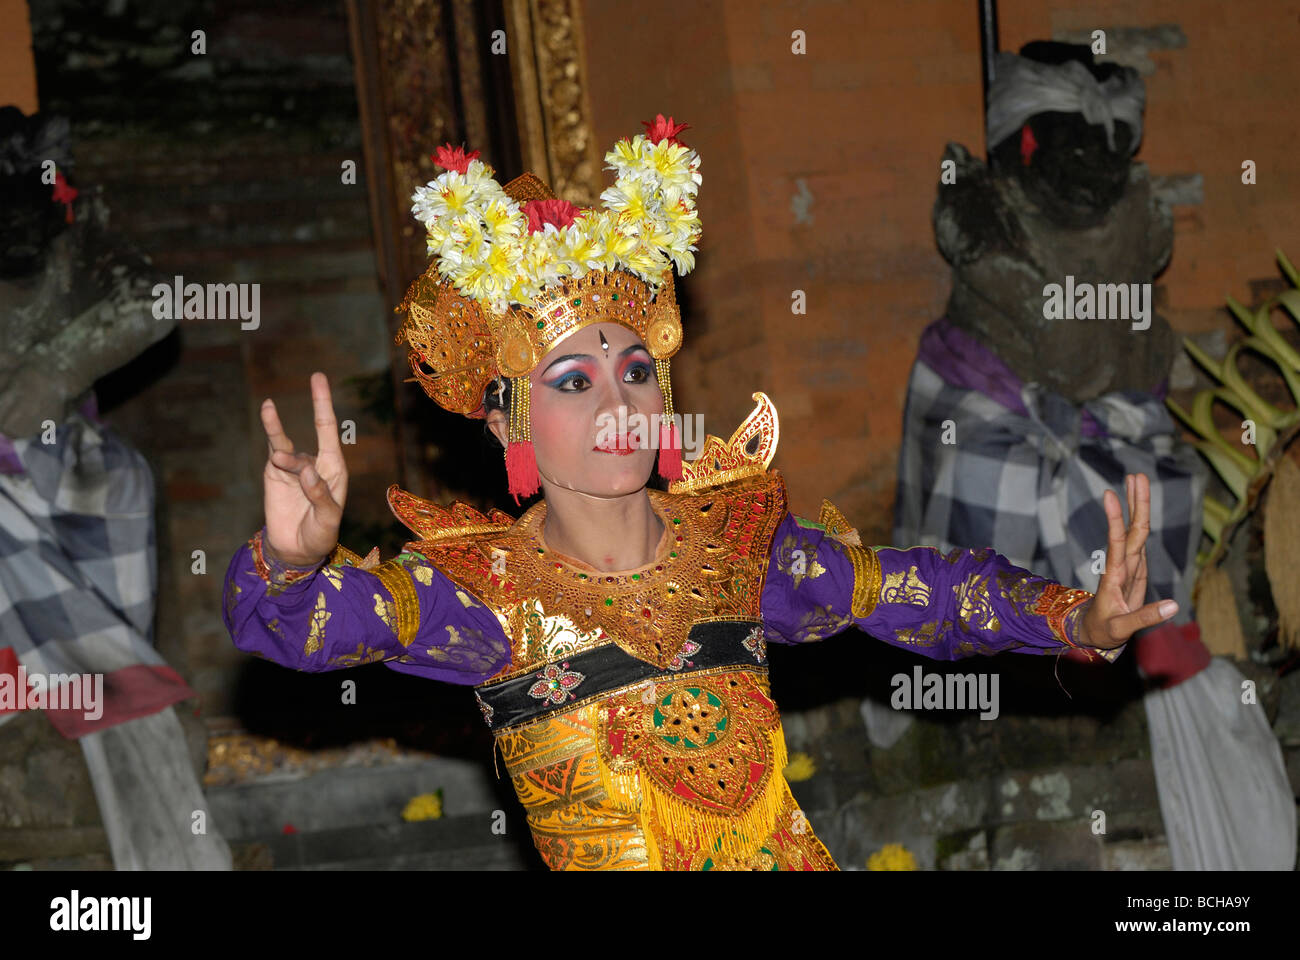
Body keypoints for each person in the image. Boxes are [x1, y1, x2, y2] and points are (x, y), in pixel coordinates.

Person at [222, 115, 1179, 870]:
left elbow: (921, 590)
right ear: (512, 421)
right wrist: (292, 562)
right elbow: (304, 629)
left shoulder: (738, 551)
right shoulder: (485, 594)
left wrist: (1074, 620)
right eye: (572, 382)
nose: (617, 400)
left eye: (636, 371)